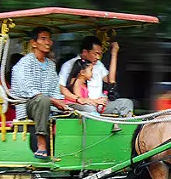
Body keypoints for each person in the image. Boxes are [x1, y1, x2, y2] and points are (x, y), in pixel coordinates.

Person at [10, 27, 69, 159]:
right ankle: (41, 144)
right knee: (43, 100)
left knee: (75, 109)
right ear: (34, 43)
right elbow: (28, 90)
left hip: (48, 104)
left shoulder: (51, 65)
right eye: (43, 38)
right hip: (28, 105)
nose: (48, 42)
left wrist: (60, 102)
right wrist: (53, 100)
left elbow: (55, 88)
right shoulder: (24, 64)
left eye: (49, 39)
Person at [58, 36, 133, 130]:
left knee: (126, 103)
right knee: (89, 109)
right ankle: (99, 134)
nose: (98, 57)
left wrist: (114, 54)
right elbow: (61, 88)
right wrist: (78, 99)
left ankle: (124, 132)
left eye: (100, 54)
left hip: (100, 104)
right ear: (85, 52)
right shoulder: (69, 65)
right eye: (95, 54)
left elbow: (111, 81)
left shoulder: (99, 64)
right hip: (82, 104)